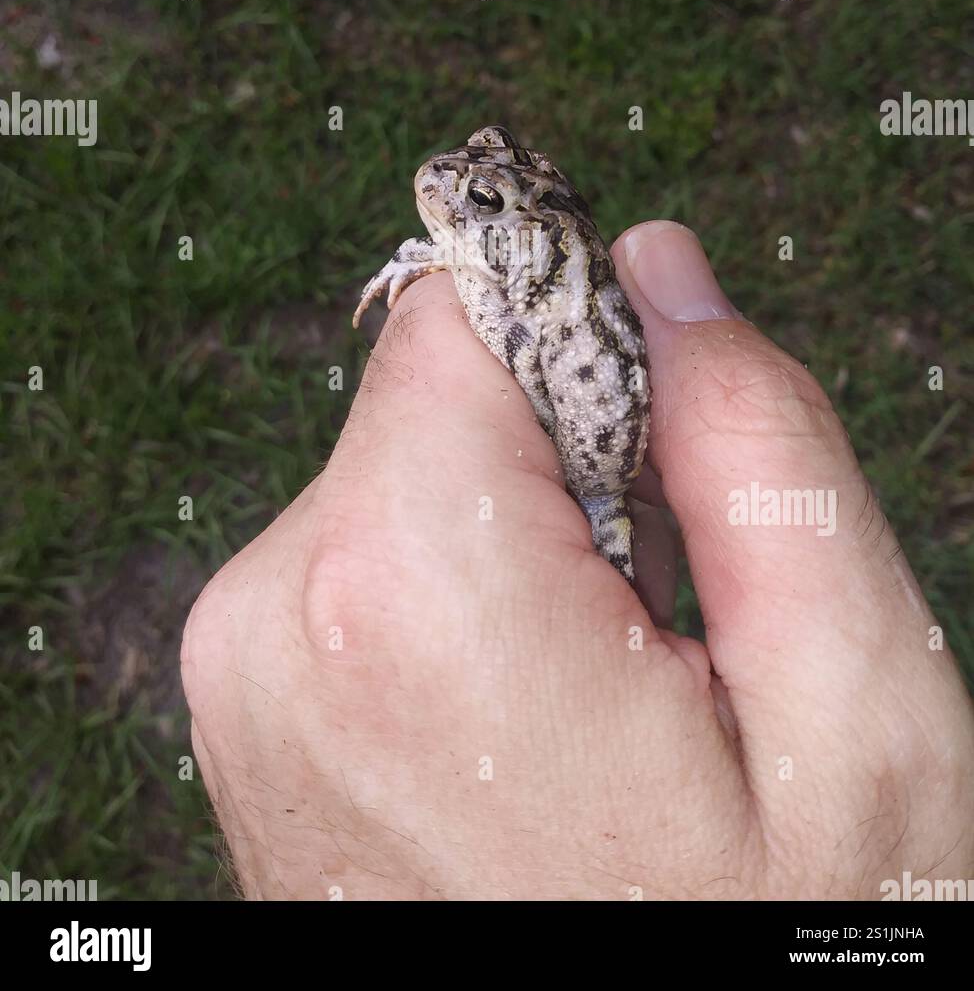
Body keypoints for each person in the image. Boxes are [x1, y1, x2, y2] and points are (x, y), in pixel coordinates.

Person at [181, 221, 974, 900]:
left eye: (487, 205)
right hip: (571, 459)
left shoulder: (535, 299)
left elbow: (528, 348)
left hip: (604, 488)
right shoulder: (504, 288)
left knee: (611, 605)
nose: (450, 184)